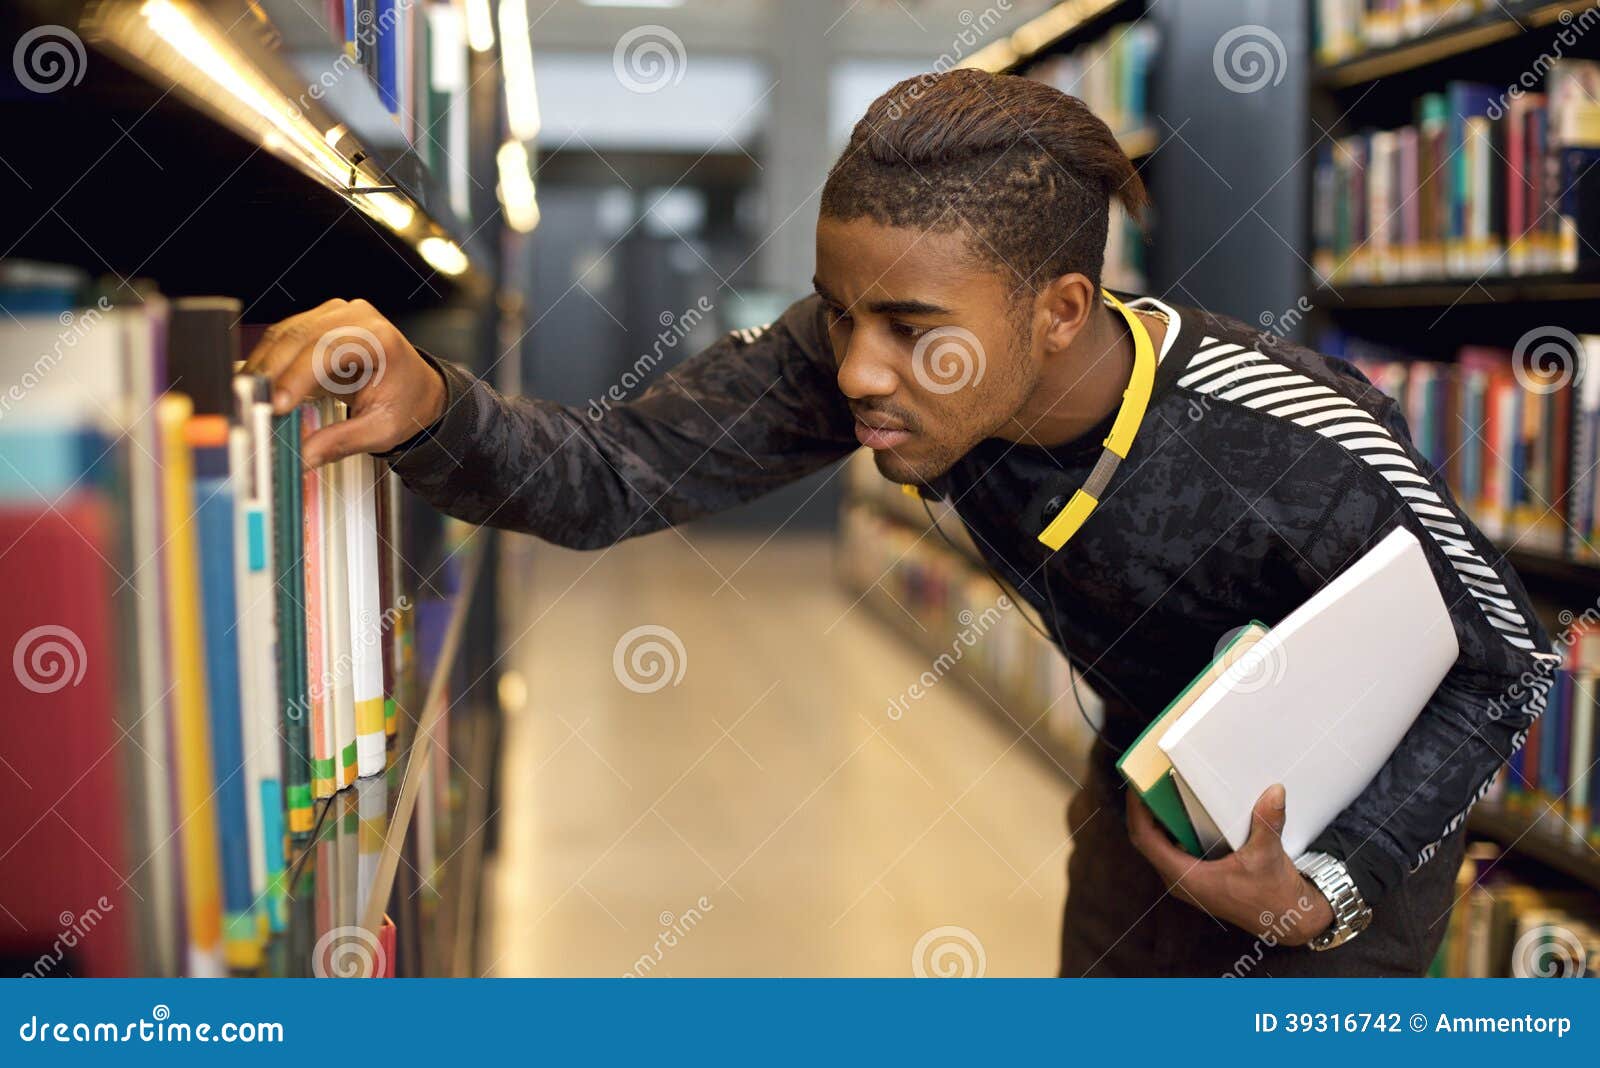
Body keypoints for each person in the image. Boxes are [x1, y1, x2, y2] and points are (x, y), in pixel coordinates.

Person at [245, 70, 1557, 976]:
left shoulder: (1285, 433)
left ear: (1060, 310)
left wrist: (1333, 885)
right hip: (1139, 805)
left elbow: (1506, 660)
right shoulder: (862, 356)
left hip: (1338, 851)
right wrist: (431, 405)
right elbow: (610, 473)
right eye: (839, 313)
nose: (859, 369)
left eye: (914, 331)